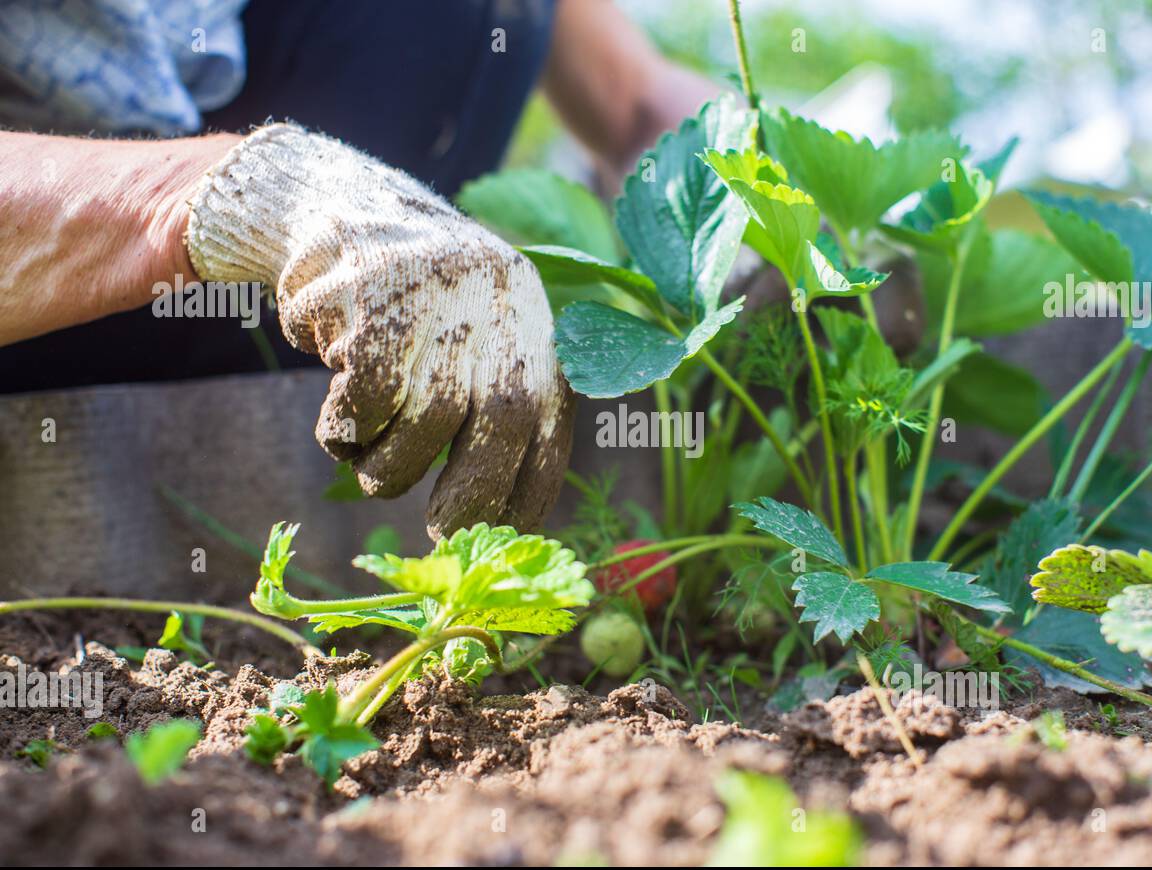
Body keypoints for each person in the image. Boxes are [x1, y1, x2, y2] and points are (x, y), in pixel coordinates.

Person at [0, 0, 716, 552]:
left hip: (297, 322)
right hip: (49, 299)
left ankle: (342, 455)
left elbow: (639, 101)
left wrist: (740, 221)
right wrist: (239, 195)